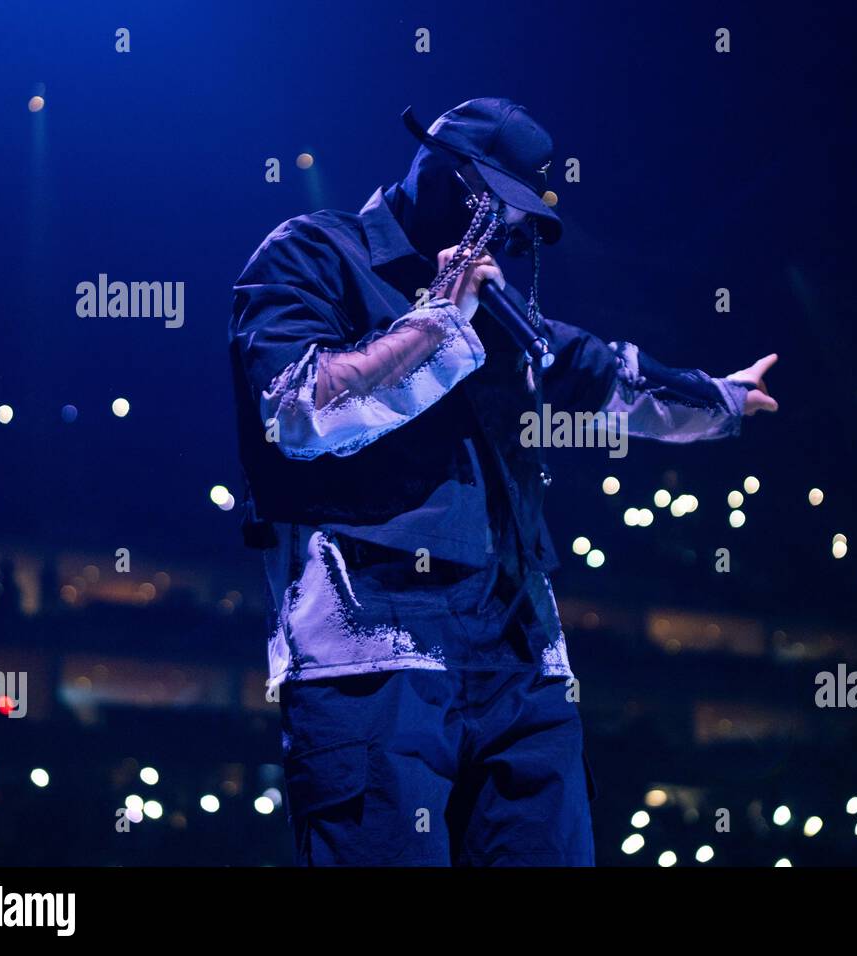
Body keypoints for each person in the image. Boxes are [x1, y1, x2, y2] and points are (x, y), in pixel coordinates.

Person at [229, 97, 778, 866]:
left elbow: (602, 373)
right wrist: (434, 322)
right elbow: (299, 409)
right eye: (503, 211)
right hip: (372, 646)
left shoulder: (495, 307)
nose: (512, 236)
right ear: (450, 180)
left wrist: (722, 399)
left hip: (518, 647)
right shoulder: (315, 252)